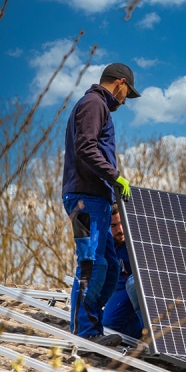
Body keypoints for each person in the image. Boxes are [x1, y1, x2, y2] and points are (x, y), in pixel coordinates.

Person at [62, 63, 140, 346]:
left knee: (107, 267)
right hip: (84, 200)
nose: (124, 100)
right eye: (126, 93)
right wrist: (114, 176)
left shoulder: (98, 106)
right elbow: (85, 147)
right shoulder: (94, 103)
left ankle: (90, 323)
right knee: (91, 264)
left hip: (98, 201)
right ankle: (84, 333)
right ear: (120, 83)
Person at [103, 204, 144, 339]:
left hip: (143, 287)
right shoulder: (107, 246)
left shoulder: (139, 239)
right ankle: (140, 330)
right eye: (114, 226)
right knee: (109, 326)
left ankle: (152, 335)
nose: (120, 230)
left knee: (134, 283)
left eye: (122, 223)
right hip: (122, 286)